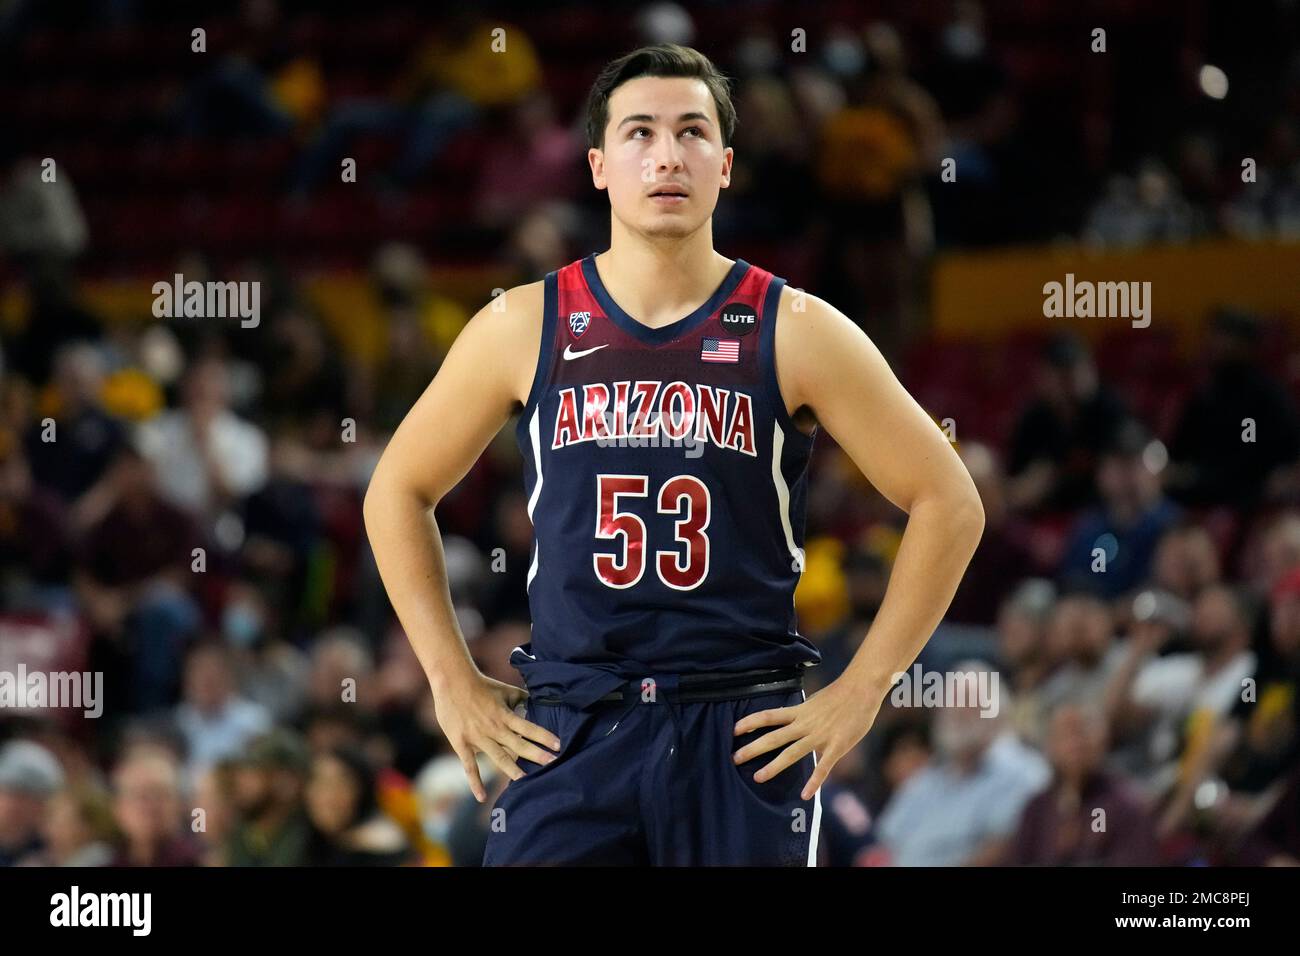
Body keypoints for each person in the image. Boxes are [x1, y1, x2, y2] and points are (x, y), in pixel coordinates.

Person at [364, 43, 985, 866]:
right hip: (574, 729)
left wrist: (862, 689)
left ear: (725, 166)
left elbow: (951, 503)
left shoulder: (796, 327)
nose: (667, 155)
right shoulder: (523, 323)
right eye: (640, 133)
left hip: (741, 732)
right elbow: (396, 491)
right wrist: (449, 678)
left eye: (692, 132)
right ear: (596, 165)